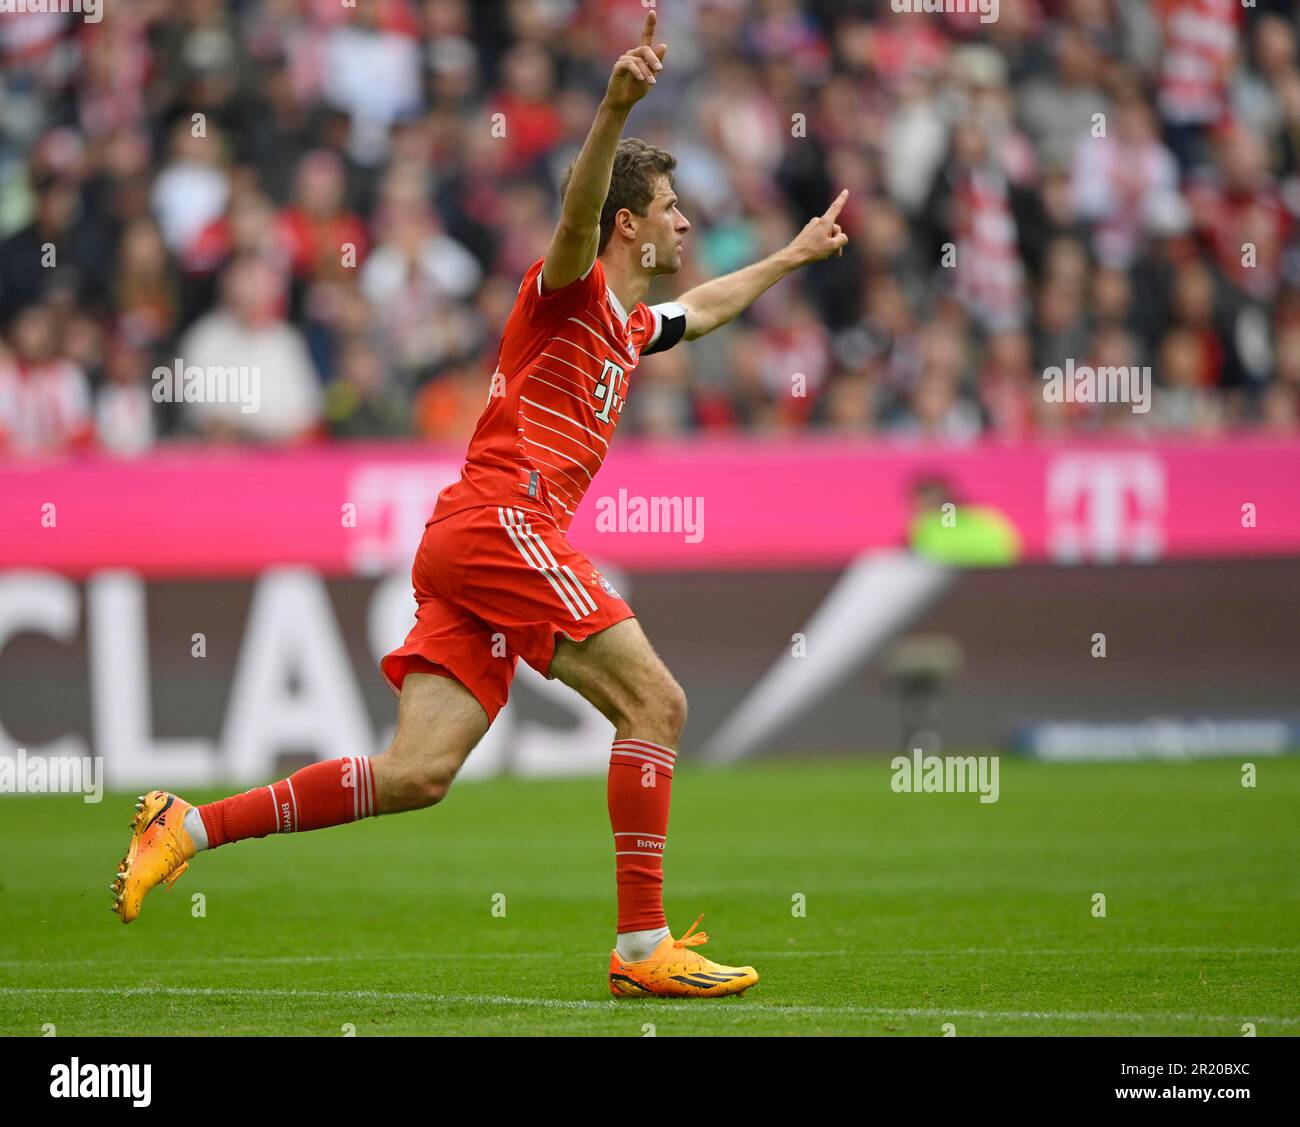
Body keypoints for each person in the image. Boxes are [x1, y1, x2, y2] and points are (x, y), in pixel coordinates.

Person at [111, 11, 849, 999]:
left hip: (467, 539)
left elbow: (704, 307)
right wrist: (612, 106)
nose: (684, 222)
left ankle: (185, 824)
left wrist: (793, 257)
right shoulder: (570, 286)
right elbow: (579, 209)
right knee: (657, 701)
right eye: (671, 208)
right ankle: (641, 946)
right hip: (505, 519)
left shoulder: (627, 327)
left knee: (417, 770)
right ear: (629, 224)